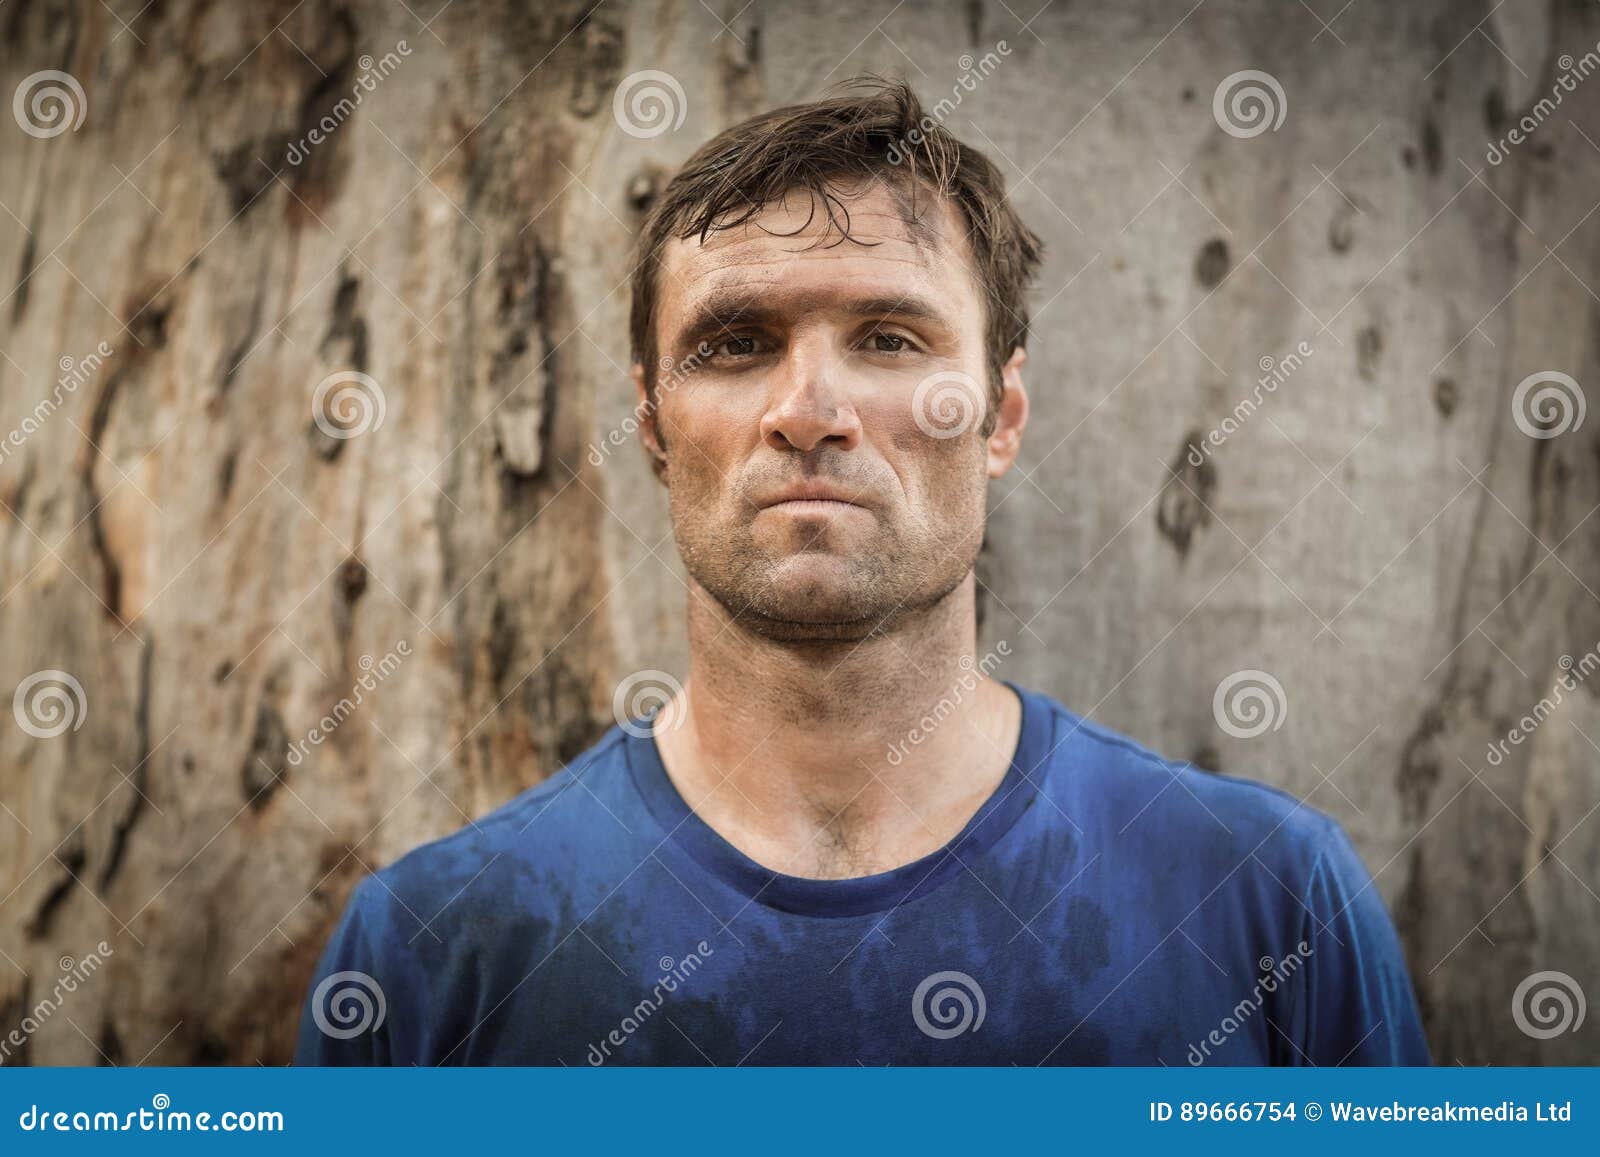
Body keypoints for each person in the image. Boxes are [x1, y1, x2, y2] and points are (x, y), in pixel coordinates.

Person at [296, 78, 1429, 1066]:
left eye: (890, 338)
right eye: (735, 343)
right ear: (649, 421)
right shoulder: (431, 949)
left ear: (1001, 413)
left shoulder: (1267, 905)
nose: (809, 411)